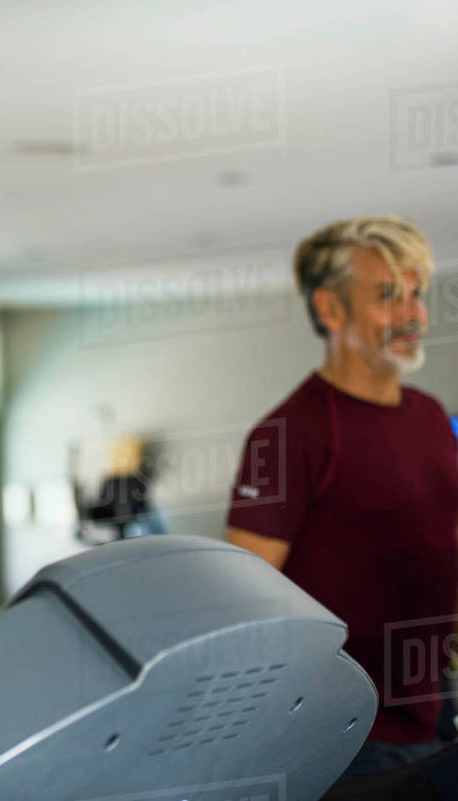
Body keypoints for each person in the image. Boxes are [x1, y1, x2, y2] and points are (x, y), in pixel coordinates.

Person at [224, 216, 458, 784]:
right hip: (342, 737)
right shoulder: (287, 435)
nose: (413, 315)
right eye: (387, 296)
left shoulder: (429, 416)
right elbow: (240, 607)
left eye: (417, 295)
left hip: (432, 711)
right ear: (331, 310)